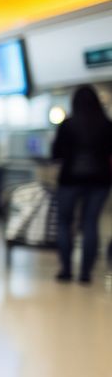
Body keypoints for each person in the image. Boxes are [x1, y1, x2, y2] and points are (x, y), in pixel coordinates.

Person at [51, 85, 112, 283]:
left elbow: (56, 154)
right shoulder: (106, 125)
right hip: (100, 181)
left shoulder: (67, 125)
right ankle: (86, 273)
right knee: (90, 224)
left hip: (70, 180)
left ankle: (66, 270)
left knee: (64, 223)